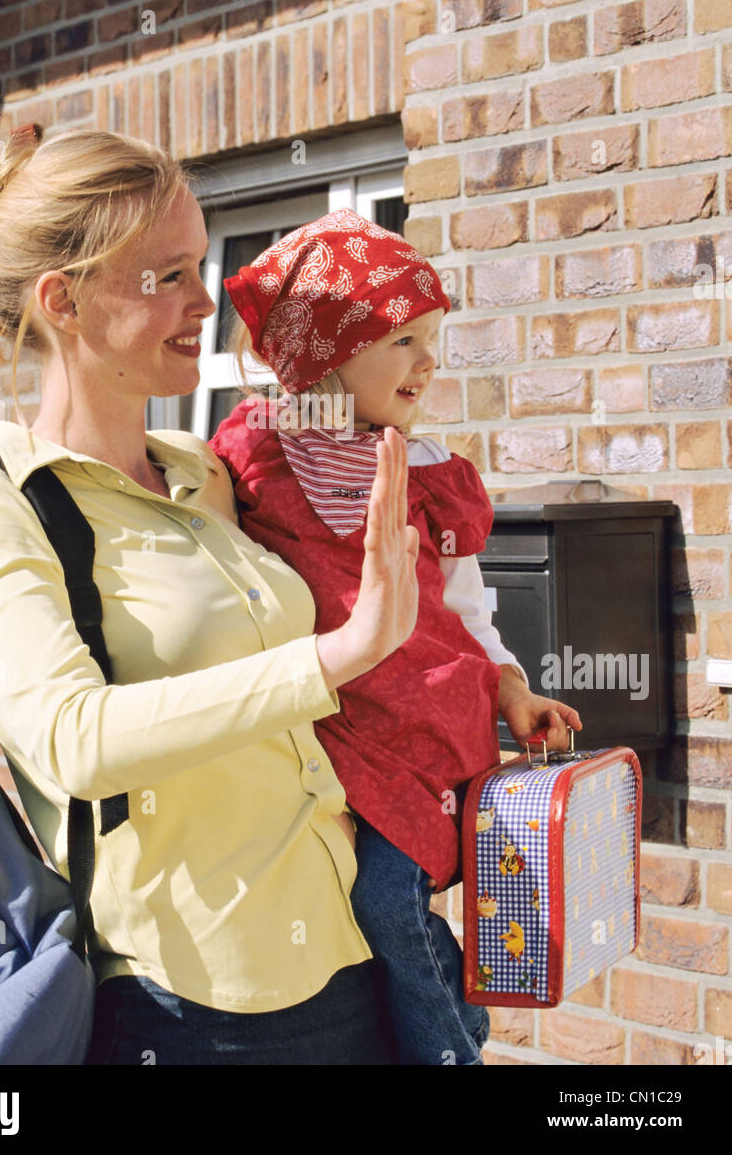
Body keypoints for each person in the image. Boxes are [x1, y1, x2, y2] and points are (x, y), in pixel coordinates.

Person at [0, 111, 423, 1065]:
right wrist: (336, 656)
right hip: (188, 1008)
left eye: (202, 266)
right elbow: (71, 741)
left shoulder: (209, 469)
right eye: (167, 276)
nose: (204, 303)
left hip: (351, 958)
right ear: (64, 300)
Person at [209, 207, 583, 1066]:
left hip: (422, 734)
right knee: (350, 909)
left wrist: (513, 691)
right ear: (324, 356)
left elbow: (471, 613)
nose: (430, 361)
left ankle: (454, 1052)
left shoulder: (426, 470)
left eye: (433, 338)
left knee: (390, 901)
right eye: (404, 340)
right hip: (328, 732)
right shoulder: (250, 457)